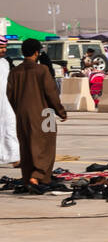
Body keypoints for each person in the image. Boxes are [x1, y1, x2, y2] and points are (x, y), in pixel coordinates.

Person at [5, 38, 68, 188]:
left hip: (22, 116)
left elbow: (10, 95)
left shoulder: (15, 72)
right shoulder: (42, 70)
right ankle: (38, 175)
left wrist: (20, 110)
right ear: (36, 52)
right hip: (44, 115)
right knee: (46, 145)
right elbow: (51, 93)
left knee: (26, 146)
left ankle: (28, 178)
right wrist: (61, 112)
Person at [0, 36, 19, 166]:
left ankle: (14, 158)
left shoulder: (5, 63)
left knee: (10, 127)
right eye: (1, 47)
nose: (3, 50)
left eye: (5, 47)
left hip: (6, 102)